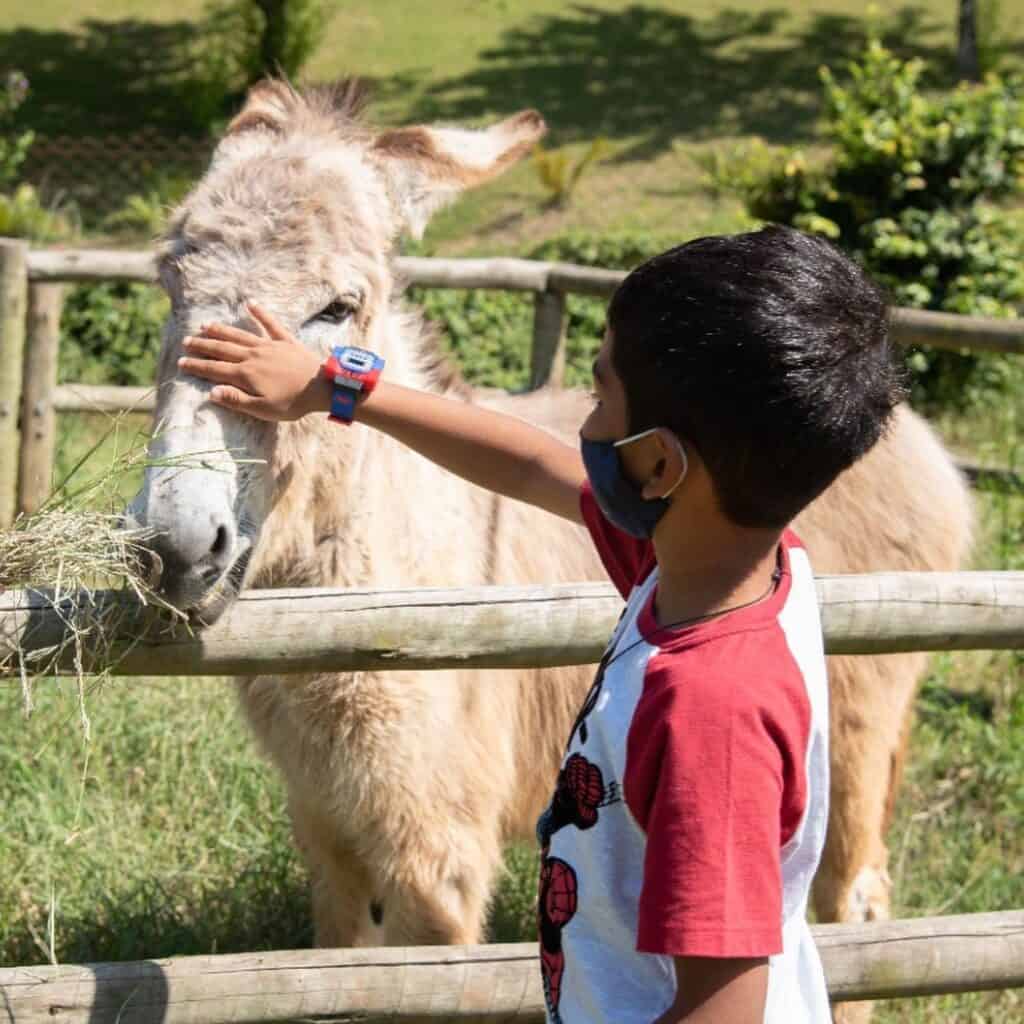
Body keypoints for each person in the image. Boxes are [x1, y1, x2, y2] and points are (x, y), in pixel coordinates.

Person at [178, 225, 905, 1023]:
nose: (579, 425)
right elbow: (527, 463)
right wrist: (338, 387)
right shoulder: (720, 560)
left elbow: (723, 1010)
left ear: (659, 464)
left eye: (598, 398)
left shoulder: (713, 711)